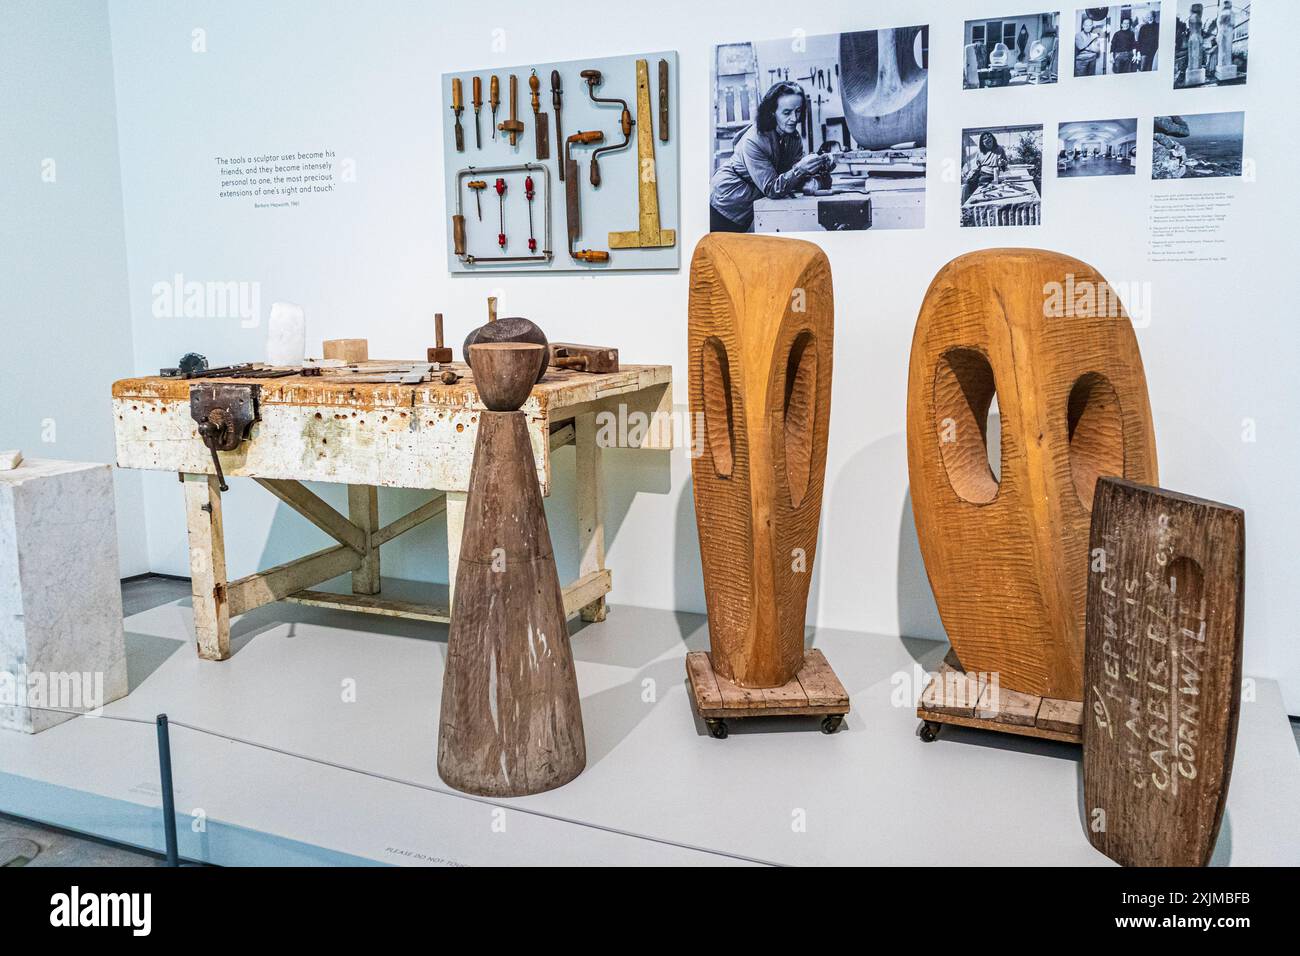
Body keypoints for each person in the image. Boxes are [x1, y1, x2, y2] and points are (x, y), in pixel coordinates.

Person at [708, 81, 833, 233]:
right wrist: (801, 169)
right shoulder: (754, 140)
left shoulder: (792, 137)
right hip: (726, 203)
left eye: (798, 111)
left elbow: (792, 176)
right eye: (786, 113)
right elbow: (772, 188)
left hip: (749, 205)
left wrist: (818, 166)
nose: (794, 118)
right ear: (772, 112)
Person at [962, 131, 1009, 203]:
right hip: (983, 175)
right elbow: (976, 167)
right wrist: (970, 176)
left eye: (990, 137)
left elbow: (1005, 167)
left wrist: (1003, 163)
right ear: (982, 143)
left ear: (993, 139)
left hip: (996, 175)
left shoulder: (1000, 149)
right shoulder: (979, 152)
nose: (988, 139)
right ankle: (967, 204)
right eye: (985, 139)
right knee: (968, 186)